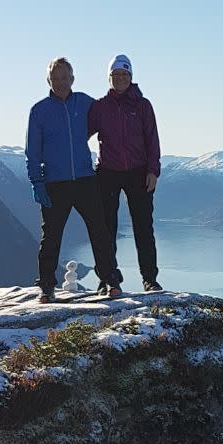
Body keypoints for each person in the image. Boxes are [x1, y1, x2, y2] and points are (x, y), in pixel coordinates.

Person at [25, 57, 123, 303]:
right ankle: (46, 286)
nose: (61, 83)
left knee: (99, 231)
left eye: (65, 78)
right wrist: (37, 183)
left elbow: (109, 115)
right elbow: (33, 151)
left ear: (72, 79)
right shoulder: (39, 111)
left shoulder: (85, 103)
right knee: (52, 236)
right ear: (49, 81)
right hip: (54, 183)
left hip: (84, 179)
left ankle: (110, 280)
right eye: (55, 79)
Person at [88, 54, 163, 293]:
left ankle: (149, 279)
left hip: (139, 171)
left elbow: (152, 139)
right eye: (115, 74)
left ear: (131, 77)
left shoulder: (143, 106)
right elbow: (81, 136)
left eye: (124, 74)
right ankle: (107, 279)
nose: (120, 78)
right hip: (107, 172)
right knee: (105, 228)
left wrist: (153, 170)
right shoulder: (99, 107)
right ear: (109, 77)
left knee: (143, 227)